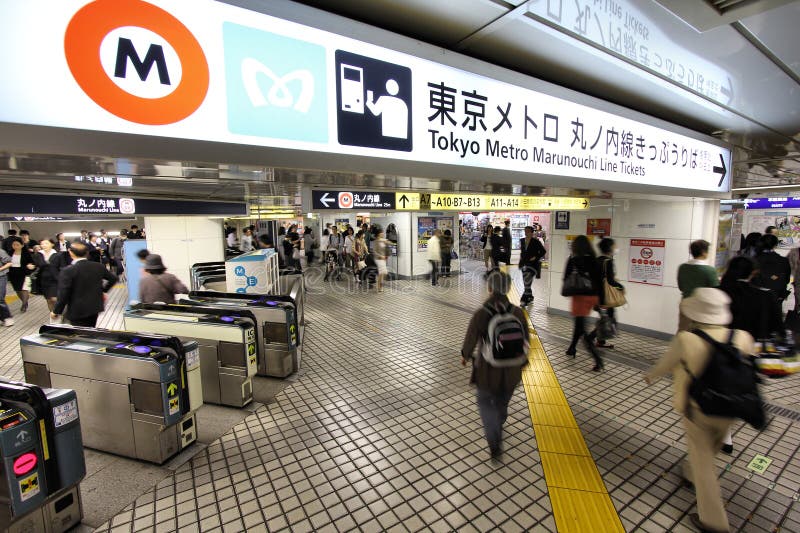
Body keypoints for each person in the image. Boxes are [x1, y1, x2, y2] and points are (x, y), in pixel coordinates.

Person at [644, 288, 754, 533]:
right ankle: (690, 471)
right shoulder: (743, 337)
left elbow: (666, 365)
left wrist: (651, 375)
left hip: (698, 409)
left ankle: (714, 522)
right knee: (708, 449)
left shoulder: (687, 339)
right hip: (731, 409)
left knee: (703, 462)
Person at [460, 271, 530, 457]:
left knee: (484, 401)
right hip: (512, 369)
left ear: (490, 288)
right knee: (502, 400)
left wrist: (465, 356)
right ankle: (499, 420)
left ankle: (494, 439)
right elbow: (526, 340)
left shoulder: (482, 313)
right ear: (508, 288)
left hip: (488, 370)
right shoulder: (517, 312)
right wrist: (523, 362)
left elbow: (471, 337)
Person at [51, 242, 118, 327]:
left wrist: (56, 311)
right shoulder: (98, 266)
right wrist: (103, 290)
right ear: (87, 253)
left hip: (77, 309)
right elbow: (114, 278)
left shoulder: (68, 271)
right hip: (94, 307)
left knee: (79, 331)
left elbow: (63, 294)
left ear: (71, 253)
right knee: (91, 328)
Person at [563, 235, 604, 371]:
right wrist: (600, 300)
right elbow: (600, 281)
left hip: (579, 298)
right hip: (593, 297)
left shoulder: (573, 260)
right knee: (579, 324)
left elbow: (566, 278)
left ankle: (598, 359)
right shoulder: (594, 260)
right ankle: (572, 348)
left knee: (582, 330)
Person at [720, 256, 782, 341]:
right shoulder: (766, 297)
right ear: (754, 272)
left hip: (719, 344)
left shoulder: (716, 292)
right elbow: (778, 328)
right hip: (754, 344)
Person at [587, 237, 624, 349]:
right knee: (609, 319)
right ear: (609, 248)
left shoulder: (596, 260)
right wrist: (621, 287)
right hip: (604, 296)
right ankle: (590, 338)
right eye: (614, 246)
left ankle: (600, 341)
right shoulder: (608, 262)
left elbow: (593, 278)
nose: (616, 248)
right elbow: (611, 281)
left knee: (605, 318)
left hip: (595, 295)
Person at [677, 240, 719, 331]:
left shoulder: (682, 267)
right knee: (700, 332)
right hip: (702, 306)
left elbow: (681, 287)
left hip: (685, 302)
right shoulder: (710, 270)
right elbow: (715, 291)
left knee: (683, 330)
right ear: (703, 252)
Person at [754, 234, 790, 303]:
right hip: (776, 294)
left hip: (755, 294)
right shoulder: (783, 260)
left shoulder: (753, 260)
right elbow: (786, 280)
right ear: (775, 245)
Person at [518, 226, 546, 306]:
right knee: (526, 283)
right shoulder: (522, 240)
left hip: (532, 265)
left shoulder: (536, 241)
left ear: (532, 232)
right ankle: (530, 297)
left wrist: (535, 257)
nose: (526, 233)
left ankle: (524, 300)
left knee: (527, 283)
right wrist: (520, 262)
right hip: (524, 265)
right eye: (525, 231)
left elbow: (543, 251)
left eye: (528, 231)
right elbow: (522, 252)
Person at [7, 237, 35, 313]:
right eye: (14, 245)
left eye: (17, 245)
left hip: (24, 272)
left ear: (22, 245)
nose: (15, 246)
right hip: (13, 273)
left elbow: (31, 262)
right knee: (17, 289)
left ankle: (24, 304)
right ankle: (24, 301)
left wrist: (29, 266)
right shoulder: (10, 252)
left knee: (24, 288)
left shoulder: (26, 253)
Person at [33, 238, 61, 312]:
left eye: (46, 243)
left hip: (55, 279)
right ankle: (53, 315)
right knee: (49, 300)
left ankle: (59, 313)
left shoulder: (58, 254)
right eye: (42, 244)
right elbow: (36, 265)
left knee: (54, 298)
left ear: (52, 244)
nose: (44, 245)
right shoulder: (38, 254)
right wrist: (31, 266)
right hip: (43, 279)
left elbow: (62, 266)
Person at [0, 247, 13, 326]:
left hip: (1, 277)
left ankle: (7, 317)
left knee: (0, 298)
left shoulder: (1, 251)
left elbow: (9, 263)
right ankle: (2, 318)